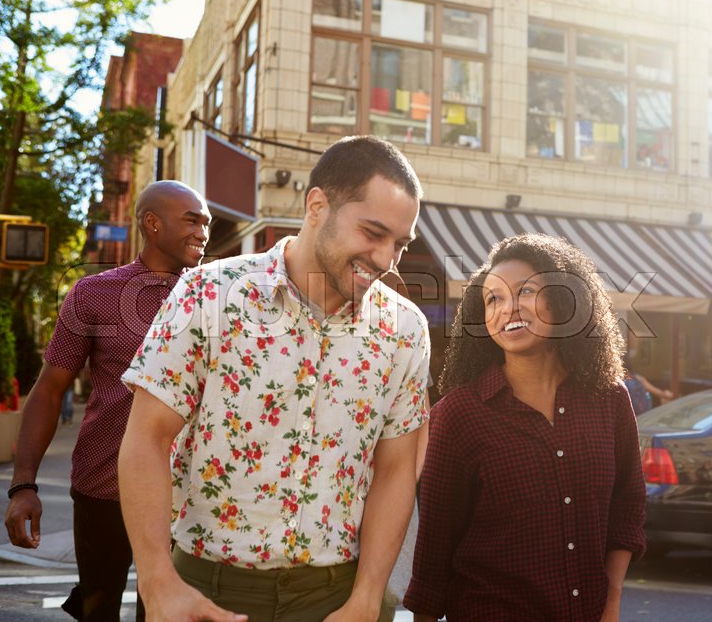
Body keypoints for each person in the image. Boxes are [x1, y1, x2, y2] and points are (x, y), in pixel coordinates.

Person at [118, 135, 430, 622]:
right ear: (317, 206)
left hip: (339, 597)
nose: (387, 259)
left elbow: (396, 468)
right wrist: (158, 584)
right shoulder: (207, 294)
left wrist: (369, 598)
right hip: (207, 587)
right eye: (373, 232)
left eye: (400, 243)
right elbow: (146, 438)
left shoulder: (406, 329)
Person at [404, 233, 646, 622]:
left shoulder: (609, 398)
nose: (507, 308)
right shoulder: (459, 415)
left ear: (565, 299)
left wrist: (611, 601)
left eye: (526, 291)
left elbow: (627, 504)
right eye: (493, 299)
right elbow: (434, 551)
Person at [4, 181, 212, 621]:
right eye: (192, 220)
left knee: (167, 613)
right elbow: (49, 390)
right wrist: (23, 485)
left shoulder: (218, 297)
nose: (203, 231)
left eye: (206, 223)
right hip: (104, 486)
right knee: (98, 607)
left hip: (190, 495)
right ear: (152, 224)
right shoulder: (93, 293)